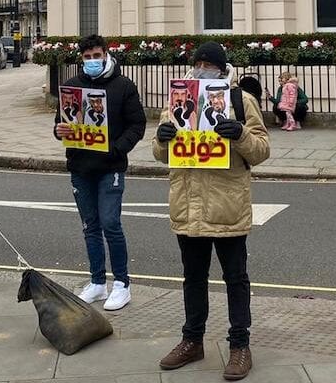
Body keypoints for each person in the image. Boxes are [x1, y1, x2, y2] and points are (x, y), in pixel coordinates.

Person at [153, 41, 271, 381]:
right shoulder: (179, 97)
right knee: (193, 278)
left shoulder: (241, 100)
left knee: (235, 278)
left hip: (227, 204)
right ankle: (192, 341)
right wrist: (163, 138)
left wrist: (241, 135)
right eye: (198, 63)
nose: (202, 68)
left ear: (222, 68)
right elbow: (160, 153)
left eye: (209, 64)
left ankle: (240, 346)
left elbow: (262, 150)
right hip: (188, 205)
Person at [53, 35, 146, 312]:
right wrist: (59, 131)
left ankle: (121, 284)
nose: (92, 61)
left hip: (110, 167)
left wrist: (117, 149)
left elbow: (137, 124)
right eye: (87, 57)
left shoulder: (124, 86)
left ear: (106, 54)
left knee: (110, 224)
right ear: (81, 59)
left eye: (96, 55)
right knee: (89, 226)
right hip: (80, 167)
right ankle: (96, 283)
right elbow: (60, 124)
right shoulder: (71, 86)